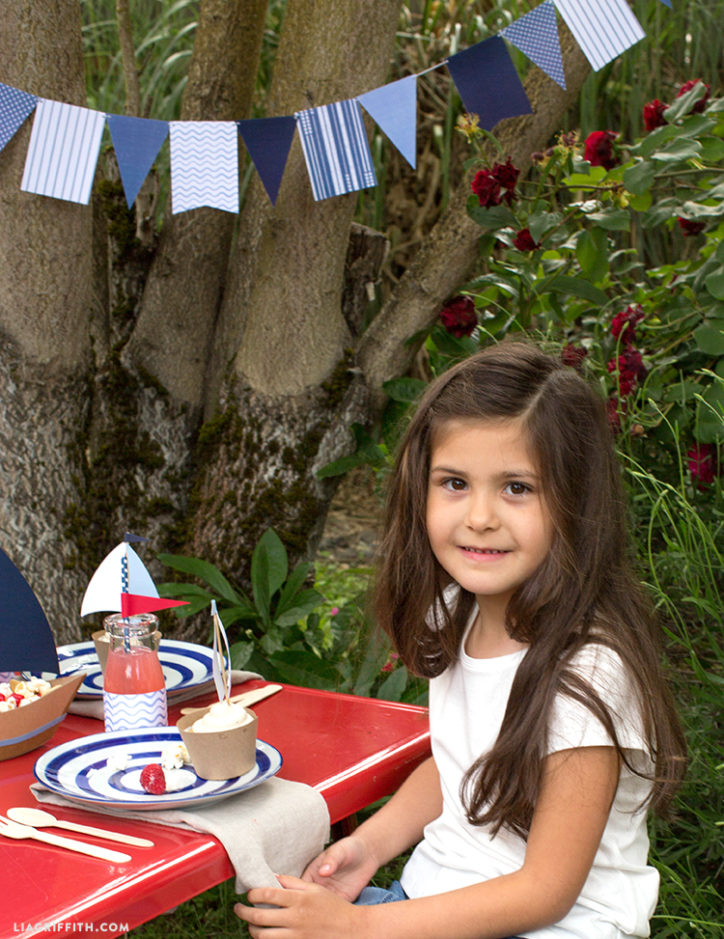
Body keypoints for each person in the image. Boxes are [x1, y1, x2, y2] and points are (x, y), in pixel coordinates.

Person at [235, 341, 686, 938]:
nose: (479, 517)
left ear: (576, 501)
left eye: (517, 488)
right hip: (435, 899)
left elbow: (546, 892)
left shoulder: (588, 672)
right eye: (454, 483)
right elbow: (461, 766)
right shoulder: (454, 610)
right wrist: (371, 845)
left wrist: (360, 928)